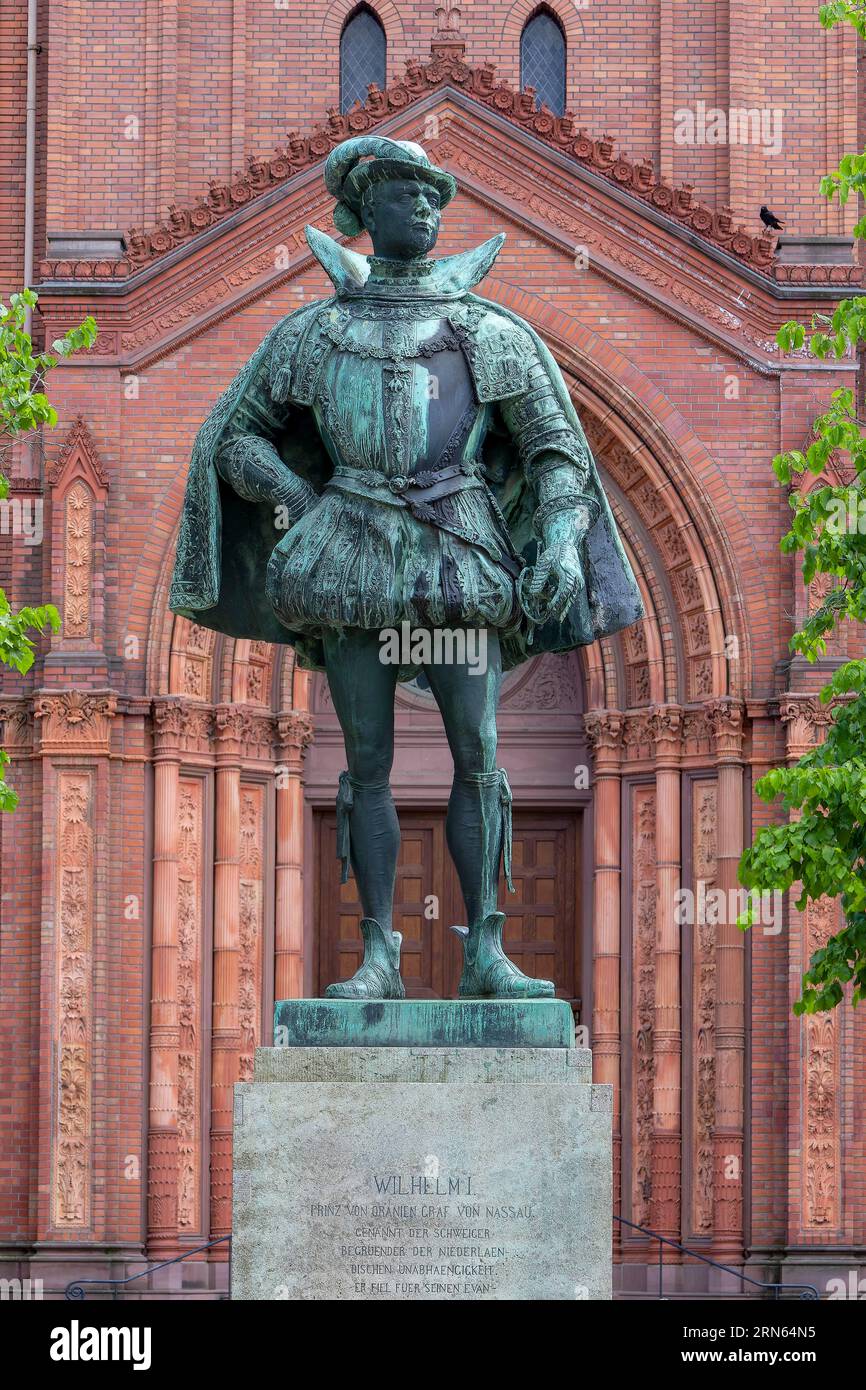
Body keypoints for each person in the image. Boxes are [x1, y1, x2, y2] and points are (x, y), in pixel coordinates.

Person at [170, 136, 643, 1000]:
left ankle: (485, 951)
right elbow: (235, 434)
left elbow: (554, 453)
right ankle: (380, 952)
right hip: (350, 558)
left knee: (478, 755)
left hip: (459, 553)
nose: (423, 208)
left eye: (433, 196)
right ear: (365, 211)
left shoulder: (488, 331)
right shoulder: (316, 331)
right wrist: (300, 504)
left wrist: (566, 544)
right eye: (404, 195)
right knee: (368, 762)